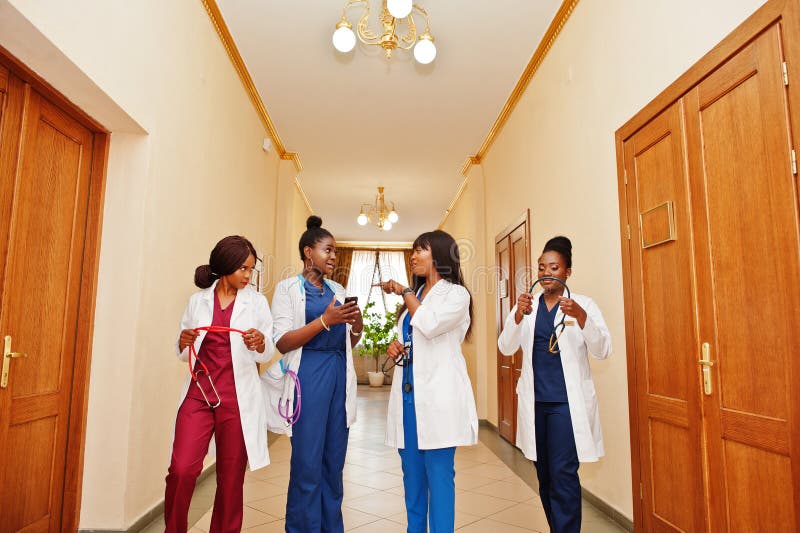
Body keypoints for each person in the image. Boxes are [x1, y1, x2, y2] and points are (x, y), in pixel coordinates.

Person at [497, 236, 611, 533]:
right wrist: (518, 316)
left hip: (565, 407)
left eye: (554, 267)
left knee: (563, 474)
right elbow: (506, 346)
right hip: (535, 403)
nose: (546, 273)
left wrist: (581, 318)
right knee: (544, 475)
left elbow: (602, 350)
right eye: (541, 268)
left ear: (567, 272)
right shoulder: (528, 306)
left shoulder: (583, 305)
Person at [165, 235, 274, 533]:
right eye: (242, 269)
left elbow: (268, 348)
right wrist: (183, 340)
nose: (248, 276)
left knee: (230, 478)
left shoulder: (257, 302)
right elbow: (181, 349)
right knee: (181, 469)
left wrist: (260, 341)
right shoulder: (197, 301)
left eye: (251, 269)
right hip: (198, 395)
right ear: (225, 266)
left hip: (236, 399)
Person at [377, 230, 478, 533]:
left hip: (438, 400)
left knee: (439, 480)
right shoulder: (415, 297)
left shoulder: (456, 295)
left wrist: (406, 291)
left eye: (420, 250)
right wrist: (395, 347)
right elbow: (411, 338)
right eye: (412, 250)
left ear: (440, 254)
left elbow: (431, 325)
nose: (413, 256)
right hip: (408, 399)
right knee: (413, 481)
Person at [269, 215, 362, 533]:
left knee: (333, 463)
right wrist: (325, 320)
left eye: (336, 251)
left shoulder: (338, 288)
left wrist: (356, 325)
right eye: (328, 250)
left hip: (338, 377)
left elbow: (348, 341)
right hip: (307, 376)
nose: (334, 257)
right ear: (308, 252)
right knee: (307, 464)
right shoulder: (287, 289)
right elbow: (282, 342)